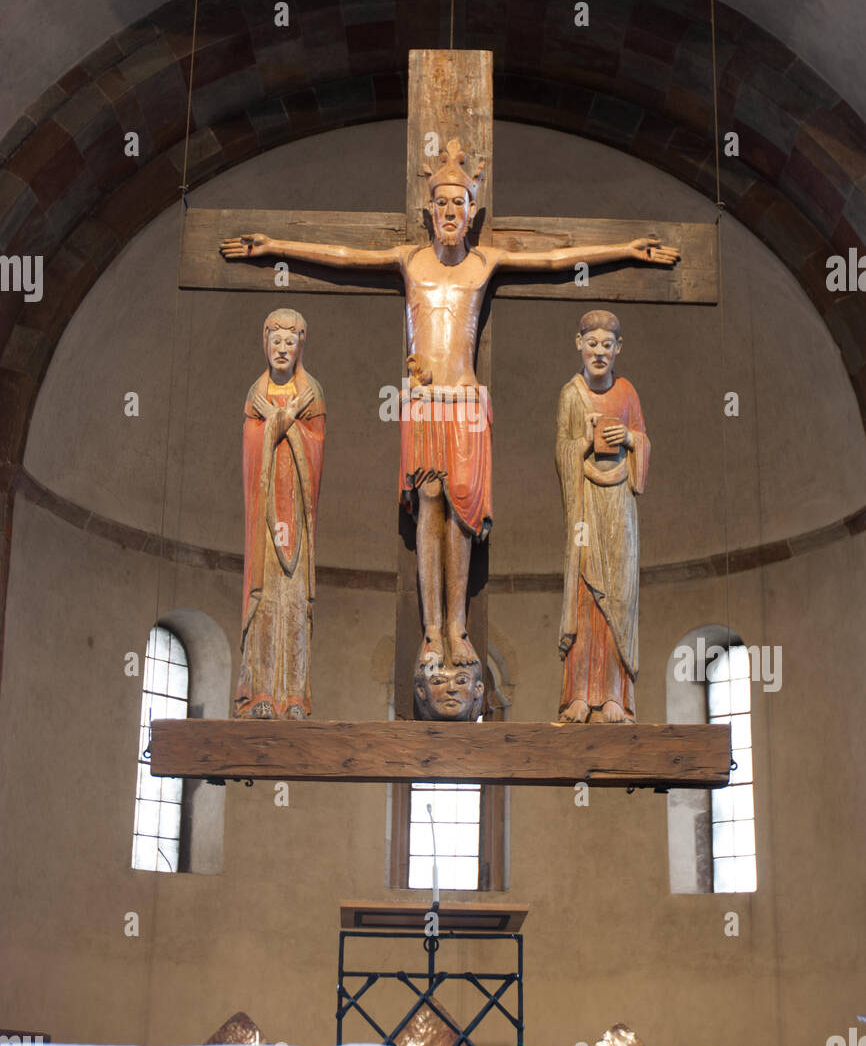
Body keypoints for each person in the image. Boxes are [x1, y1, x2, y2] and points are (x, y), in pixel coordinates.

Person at [221, 141, 676, 673]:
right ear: (429, 212)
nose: (451, 214)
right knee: (429, 507)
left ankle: (458, 626)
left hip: (465, 401)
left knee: (462, 520)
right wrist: (275, 244)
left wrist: (624, 250)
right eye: (442, 205)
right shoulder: (409, 261)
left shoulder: (485, 264)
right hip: (421, 404)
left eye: (460, 205)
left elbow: (554, 259)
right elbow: (344, 257)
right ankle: (432, 632)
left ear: (472, 212)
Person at [556, 310, 649, 723]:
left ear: (618, 349)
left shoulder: (628, 391)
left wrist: (628, 437)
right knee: (586, 595)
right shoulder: (570, 394)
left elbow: (643, 440)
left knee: (621, 598)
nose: (599, 352)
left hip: (620, 510)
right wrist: (584, 441)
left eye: (607, 345)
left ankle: (615, 696)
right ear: (578, 343)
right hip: (585, 505)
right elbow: (561, 449)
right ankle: (578, 693)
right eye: (591, 343)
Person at [232, 308, 325, 719]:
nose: (282, 349)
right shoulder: (256, 394)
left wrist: (283, 422)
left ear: (301, 345)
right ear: (264, 344)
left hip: (298, 519)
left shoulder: (312, 392)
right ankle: (261, 693)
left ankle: (294, 696)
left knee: (292, 602)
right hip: (265, 519)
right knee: (267, 600)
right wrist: (277, 421)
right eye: (276, 341)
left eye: (290, 342)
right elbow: (252, 450)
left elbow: (315, 446)